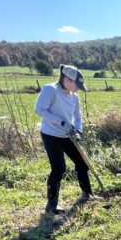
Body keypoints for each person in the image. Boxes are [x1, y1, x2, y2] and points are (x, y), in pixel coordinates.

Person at [34, 65, 92, 214]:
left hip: (68, 134)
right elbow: (39, 109)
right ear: (66, 79)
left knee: (82, 162)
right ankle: (51, 205)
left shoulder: (74, 97)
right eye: (76, 85)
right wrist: (60, 122)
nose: (78, 89)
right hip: (51, 134)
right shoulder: (50, 90)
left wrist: (79, 130)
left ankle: (87, 193)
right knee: (59, 168)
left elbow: (78, 117)